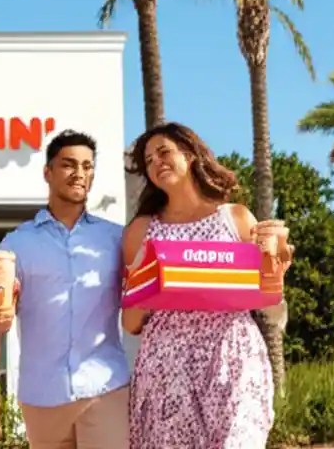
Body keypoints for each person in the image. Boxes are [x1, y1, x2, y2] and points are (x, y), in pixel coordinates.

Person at [122, 122, 294, 449]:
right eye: (148, 161)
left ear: (189, 154)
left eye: (163, 152)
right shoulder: (140, 232)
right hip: (167, 366)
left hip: (233, 355)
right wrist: (150, 283)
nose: (156, 163)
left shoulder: (238, 218)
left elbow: (269, 306)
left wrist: (276, 275)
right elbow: (130, 323)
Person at [0, 129, 130, 449]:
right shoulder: (17, 243)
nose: (80, 174)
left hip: (106, 390)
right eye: (69, 165)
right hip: (41, 396)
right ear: (48, 172)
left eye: (87, 166)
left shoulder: (116, 239)